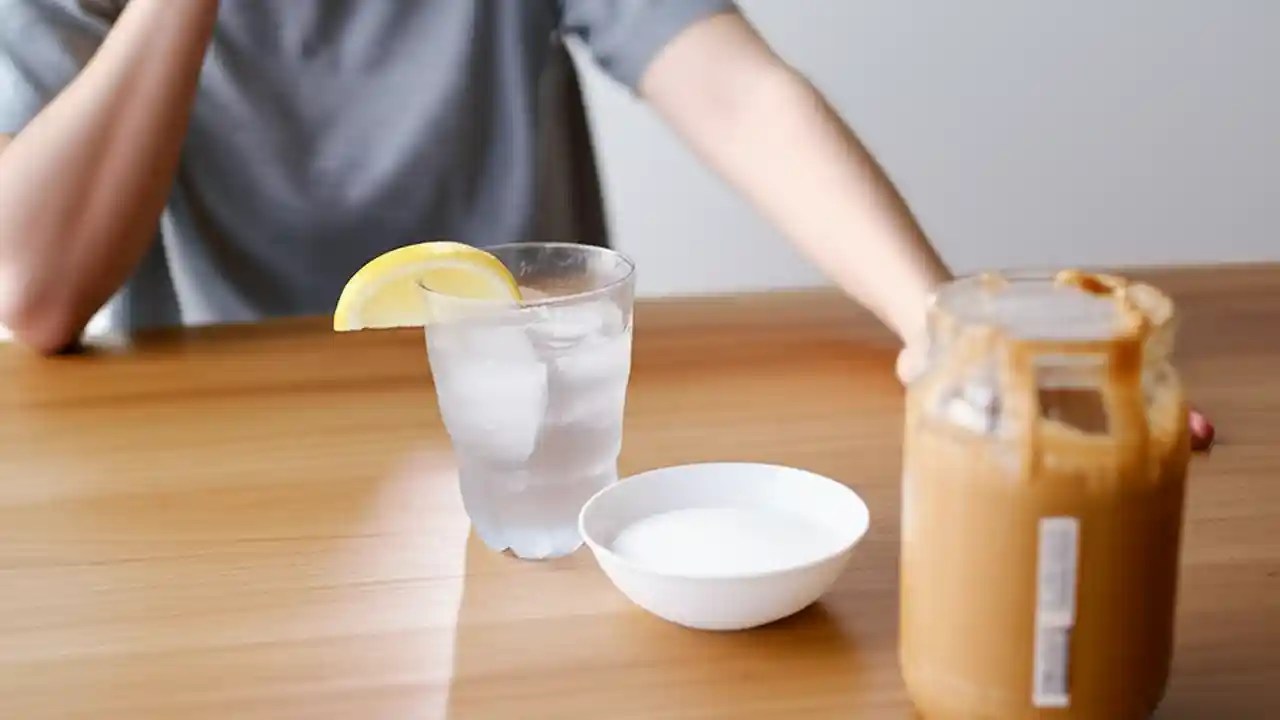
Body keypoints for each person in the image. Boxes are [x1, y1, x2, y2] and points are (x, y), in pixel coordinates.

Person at [0, 0, 1210, 447]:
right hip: (217, 456)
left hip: (528, 428)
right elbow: (36, 291)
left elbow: (736, 91)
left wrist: (939, 329)